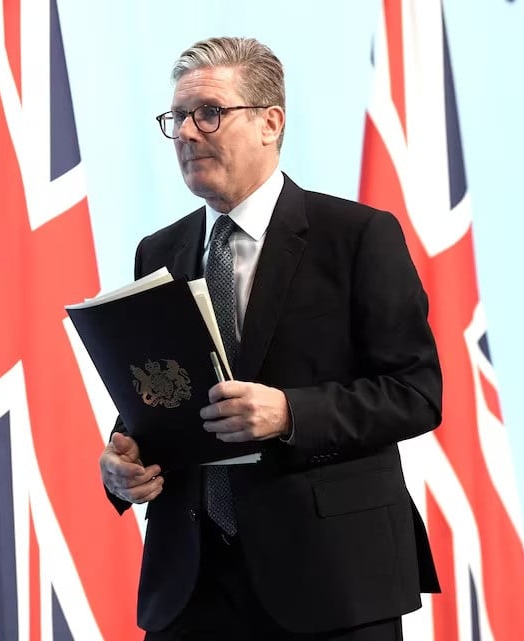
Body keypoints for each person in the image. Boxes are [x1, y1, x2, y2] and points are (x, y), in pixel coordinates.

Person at [100, 36, 442, 641]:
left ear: (269, 122)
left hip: (331, 579)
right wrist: (125, 458)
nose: (186, 133)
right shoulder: (158, 251)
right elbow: (159, 394)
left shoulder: (357, 236)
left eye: (208, 112)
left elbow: (415, 391)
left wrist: (290, 412)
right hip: (192, 585)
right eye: (176, 117)